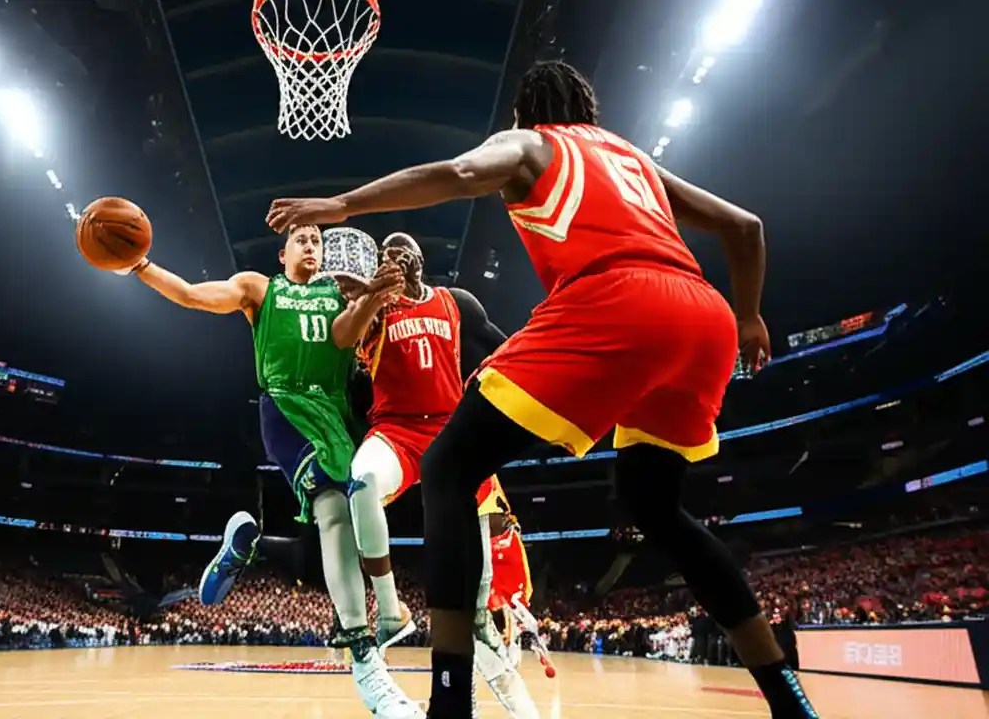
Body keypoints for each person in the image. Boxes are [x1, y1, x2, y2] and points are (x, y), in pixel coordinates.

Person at [265, 60, 819, 719]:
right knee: (654, 504)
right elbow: (745, 228)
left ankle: (449, 702)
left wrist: (344, 204)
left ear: (526, 114)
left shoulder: (533, 143)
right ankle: (787, 697)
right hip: (705, 317)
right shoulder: (632, 159)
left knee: (447, 464)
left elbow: (458, 175)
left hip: (617, 302)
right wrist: (750, 314)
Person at [121, 225, 423, 719]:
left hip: (336, 412)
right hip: (286, 406)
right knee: (333, 513)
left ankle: (256, 552)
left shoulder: (338, 292)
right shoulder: (259, 288)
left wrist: (375, 295)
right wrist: (140, 266)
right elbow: (194, 296)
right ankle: (364, 653)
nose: (311, 245)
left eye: (317, 241)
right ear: (282, 253)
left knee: (351, 509)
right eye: (302, 239)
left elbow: (352, 337)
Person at [339, 231, 537, 716]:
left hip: (453, 436)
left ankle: (524, 710)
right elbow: (343, 339)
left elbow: (501, 345)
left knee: (478, 618)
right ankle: (389, 612)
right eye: (384, 255)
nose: (392, 259)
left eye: (400, 252)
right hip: (397, 432)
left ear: (421, 261)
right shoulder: (376, 309)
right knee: (361, 481)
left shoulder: (456, 302)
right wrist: (368, 295)